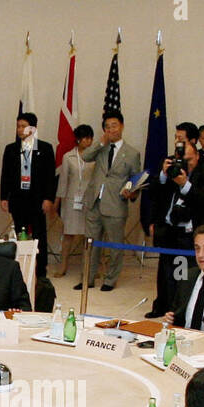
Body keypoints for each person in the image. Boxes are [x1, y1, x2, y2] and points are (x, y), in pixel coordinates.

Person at [147, 123, 204, 317]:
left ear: (196, 155)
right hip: (169, 229)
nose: (183, 162)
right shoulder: (172, 163)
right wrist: (163, 174)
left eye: (187, 159)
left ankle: (179, 310)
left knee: (183, 274)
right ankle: (162, 305)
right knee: (165, 273)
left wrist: (185, 184)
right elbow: (154, 194)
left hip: (190, 232)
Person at [80, 109, 142, 293]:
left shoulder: (132, 153)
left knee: (115, 246)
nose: (111, 130)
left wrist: (131, 192)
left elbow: (136, 180)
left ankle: (110, 279)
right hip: (94, 202)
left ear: (122, 126)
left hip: (115, 205)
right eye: (107, 127)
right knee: (90, 243)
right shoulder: (101, 148)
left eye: (114, 126)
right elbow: (85, 156)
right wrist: (101, 141)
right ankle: (88, 278)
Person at [0, 112, 56, 279]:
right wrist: (4, 197)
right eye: (18, 126)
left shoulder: (45, 148)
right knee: (19, 233)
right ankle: (19, 268)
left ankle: (41, 271)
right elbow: (5, 175)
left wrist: (48, 198)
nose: (20, 129)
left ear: (33, 128)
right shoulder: (11, 149)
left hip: (37, 199)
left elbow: (50, 177)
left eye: (23, 126)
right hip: (18, 199)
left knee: (39, 234)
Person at [53, 125, 94, 283]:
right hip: (71, 201)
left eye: (90, 137)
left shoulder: (95, 156)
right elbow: (63, 181)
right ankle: (62, 266)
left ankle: (89, 267)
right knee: (68, 234)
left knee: (88, 236)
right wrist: (58, 200)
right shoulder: (68, 156)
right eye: (84, 137)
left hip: (89, 200)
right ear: (78, 139)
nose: (88, 141)